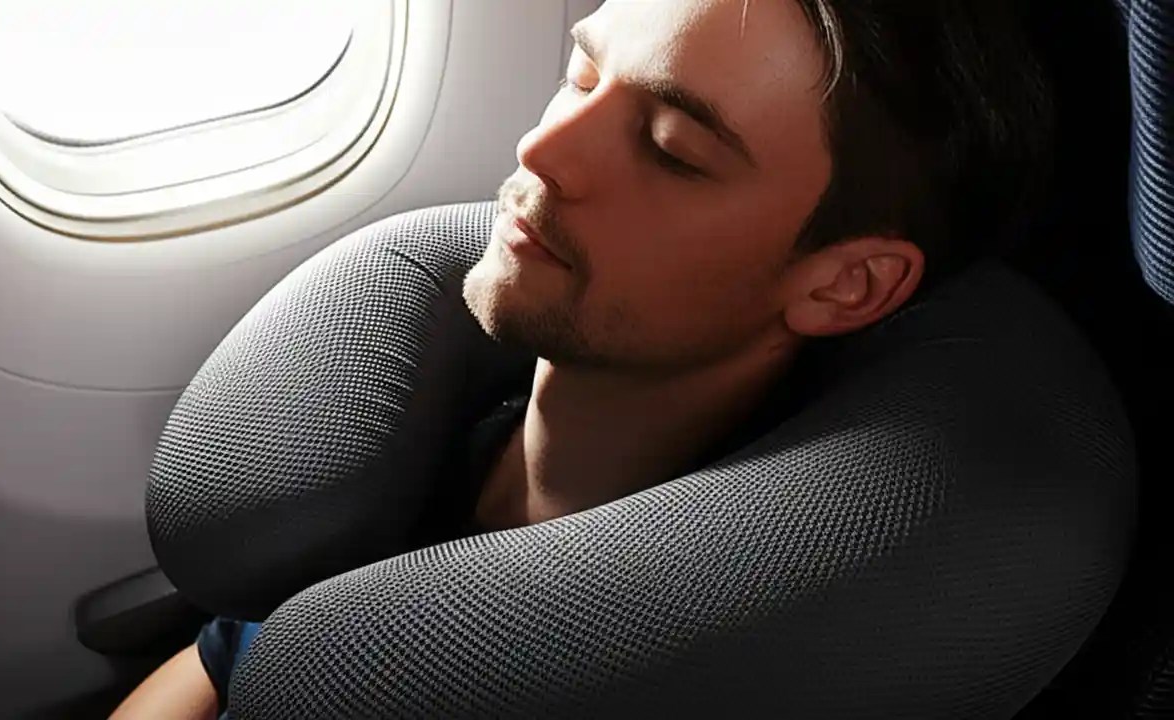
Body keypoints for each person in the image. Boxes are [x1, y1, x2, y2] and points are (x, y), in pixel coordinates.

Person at [112, 0, 1053, 716]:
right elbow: (228, 658)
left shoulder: (701, 649)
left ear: (842, 286)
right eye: (583, 74)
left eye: (673, 150)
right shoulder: (420, 459)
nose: (542, 148)